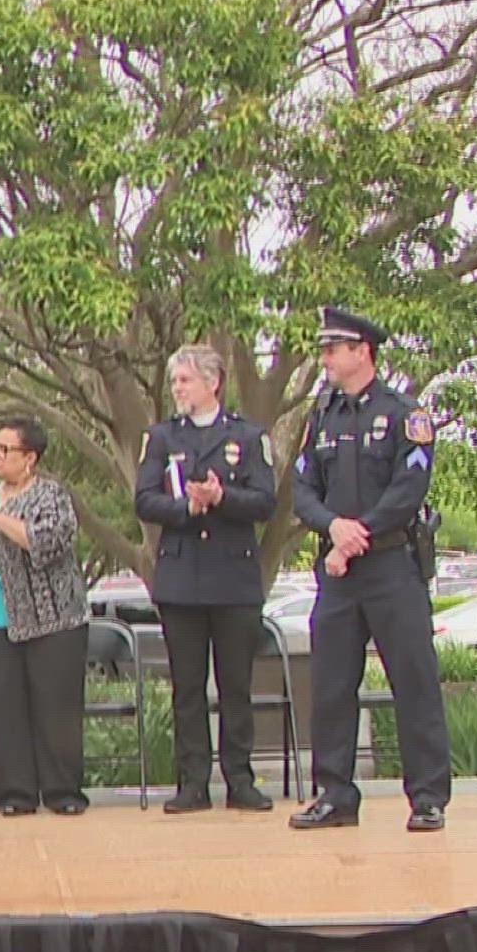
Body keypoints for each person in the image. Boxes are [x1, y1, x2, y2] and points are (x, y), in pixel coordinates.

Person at [289, 307, 449, 832]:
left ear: (363, 351)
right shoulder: (324, 416)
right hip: (339, 571)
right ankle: (335, 794)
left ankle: (427, 797)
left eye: (333, 349)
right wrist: (334, 527)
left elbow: (409, 489)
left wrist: (356, 536)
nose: (325, 359)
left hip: (390, 567)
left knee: (414, 681)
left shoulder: (406, 414)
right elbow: (303, 488)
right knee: (332, 685)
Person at [134, 345, 278, 814]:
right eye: (175, 381)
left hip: (233, 578)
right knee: (187, 686)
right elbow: (145, 500)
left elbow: (264, 502)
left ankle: (240, 778)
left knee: (235, 684)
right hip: (181, 579)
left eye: (185, 381)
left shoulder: (247, 436)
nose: (177, 389)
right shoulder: (160, 438)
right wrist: (186, 508)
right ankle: (192, 781)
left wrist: (221, 497)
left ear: (212, 383)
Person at [0, 416, 91, 817]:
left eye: (4, 450)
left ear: (29, 458)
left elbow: (46, 542)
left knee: (55, 709)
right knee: (4, 709)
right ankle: (15, 794)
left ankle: (63, 791)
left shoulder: (51, 495)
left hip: (51, 619)